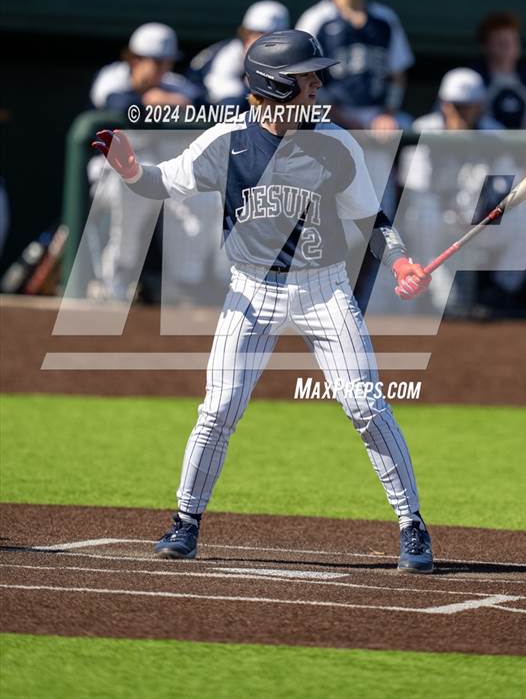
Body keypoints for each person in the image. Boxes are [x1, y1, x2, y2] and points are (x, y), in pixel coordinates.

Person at [92, 29, 435, 573]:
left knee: (366, 404)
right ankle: (185, 521)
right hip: (251, 289)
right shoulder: (227, 142)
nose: (319, 85)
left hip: (324, 290)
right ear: (274, 86)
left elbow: (374, 222)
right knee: (219, 407)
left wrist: (400, 262)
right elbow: (160, 184)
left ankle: (413, 524)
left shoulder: (336, 143)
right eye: (307, 78)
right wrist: (130, 169)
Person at [296, 0, 415, 308]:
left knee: (376, 221)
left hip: (376, 131)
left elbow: (397, 75)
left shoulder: (385, 20)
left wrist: (389, 113)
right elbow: (302, 83)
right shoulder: (317, 21)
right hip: (330, 131)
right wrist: (349, 117)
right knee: (329, 223)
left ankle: (365, 301)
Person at [400, 68, 526, 316]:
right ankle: (431, 294)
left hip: (479, 224)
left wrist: (485, 214)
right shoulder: (424, 129)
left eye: (467, 106)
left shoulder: (494, 134)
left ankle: (500, 293)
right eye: (455, 105)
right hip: (440, 223)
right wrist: (453, 213)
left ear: (479, 106)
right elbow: (416, 190)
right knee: (423, 215)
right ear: (443, 104)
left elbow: (506, 186)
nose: (460, 112)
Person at [88, 23, 213, 301]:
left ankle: (184, 284)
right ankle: (115, 279)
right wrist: (150, 100)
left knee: (199, 198)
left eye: (167, 61)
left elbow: (206, 106)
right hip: (109, 176)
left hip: (157, 171)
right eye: (155, 61)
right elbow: (118, 104)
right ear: (134, 59)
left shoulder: (174, 85)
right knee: (131, 193)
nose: (162, 68)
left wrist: (168, 99)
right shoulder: (113, 77)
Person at [188, 1, 290, 108]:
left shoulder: (288, 58)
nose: (257, 39)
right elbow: (229, 101)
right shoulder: (229, 54)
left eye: (268, 36)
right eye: (252, 33)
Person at [472, 11, 526, 131]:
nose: (507, 46)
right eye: (500, 41)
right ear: (485, 45)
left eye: (512, 40)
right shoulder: (470, 82)